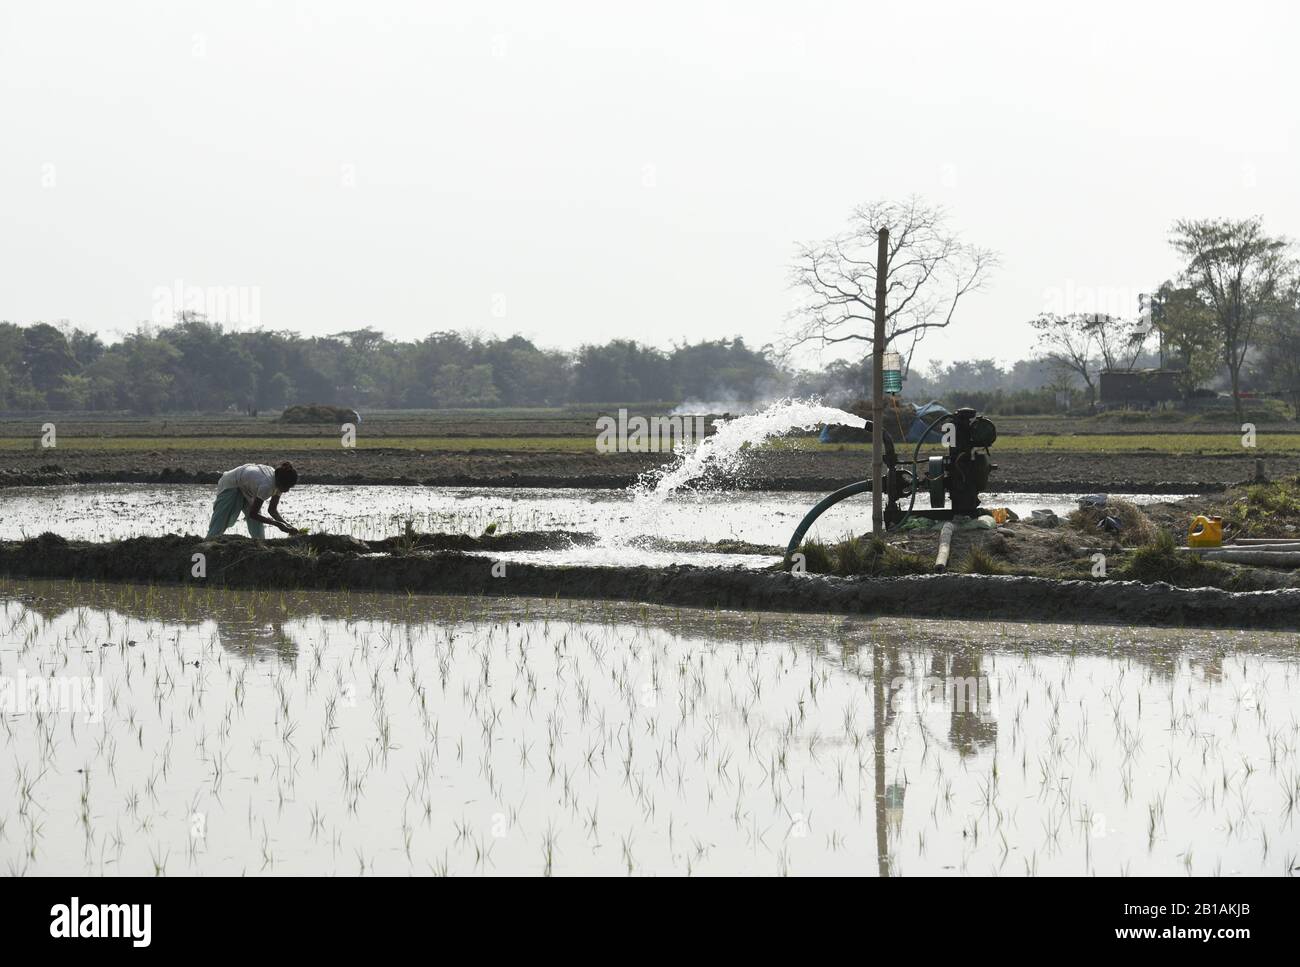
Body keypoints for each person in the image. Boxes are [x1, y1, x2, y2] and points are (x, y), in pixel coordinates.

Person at [206, 461, 300, 538]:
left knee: (257, 528)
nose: (287, 490)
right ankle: (208, 543)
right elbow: (253, 514)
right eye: (287, 487)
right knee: (219, 523)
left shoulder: (279, 484)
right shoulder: (267, 486)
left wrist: (287, 526)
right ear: (280, 482)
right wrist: (277, 524)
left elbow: (272, 510)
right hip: (232, 484)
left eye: (290, 487)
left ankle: (260, 545)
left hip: (247, 488)